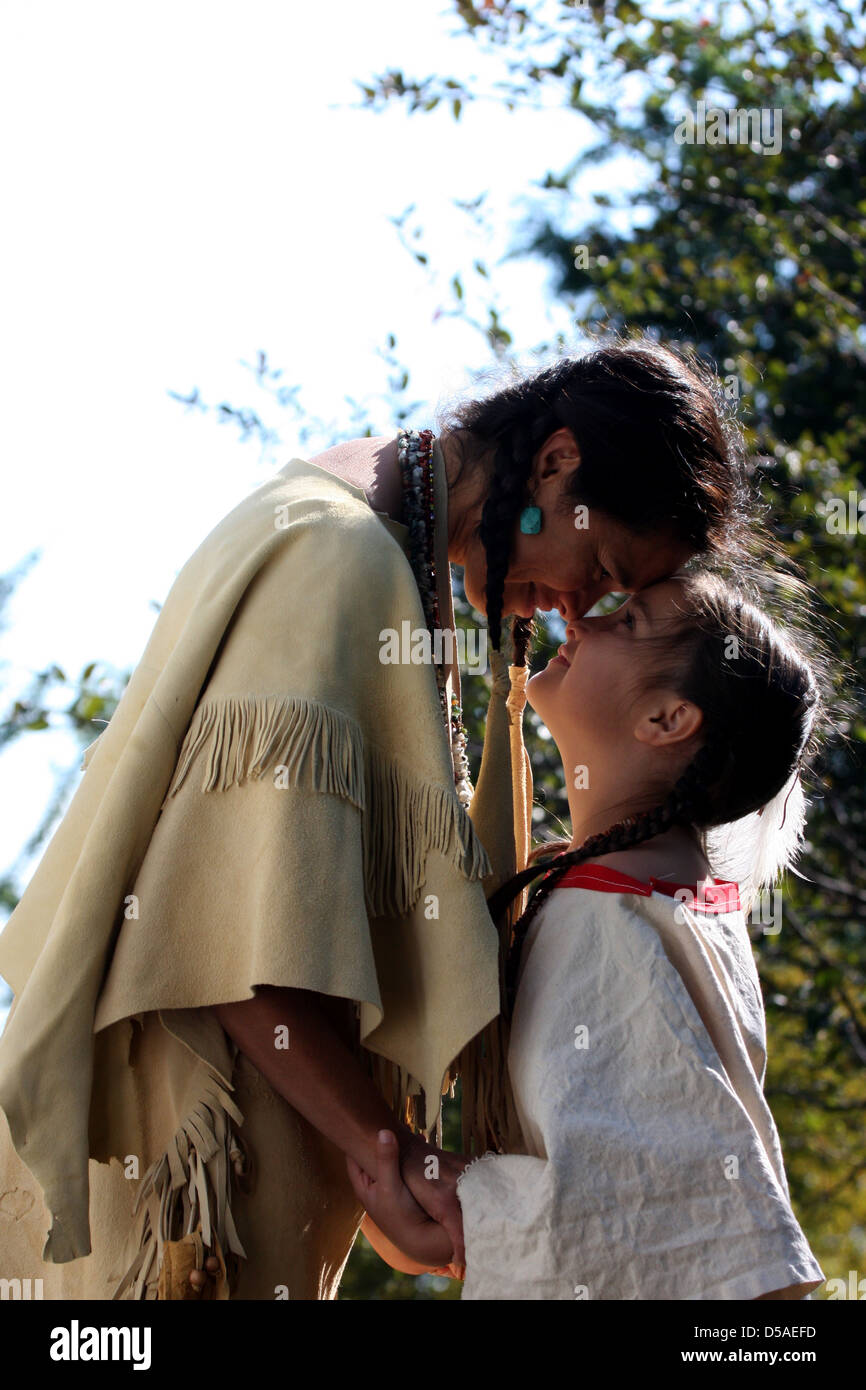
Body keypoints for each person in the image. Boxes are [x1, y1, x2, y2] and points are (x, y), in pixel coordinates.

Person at [0, 338, 756, 1299]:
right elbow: (225, 930)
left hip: (211, 1150)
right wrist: (380, 1149)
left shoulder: (366, 520)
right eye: (597, 563)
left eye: (611, 598)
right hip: (192, 1186)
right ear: (557, 461)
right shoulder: (343, 556)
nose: (576, 607)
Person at [350, 572, 829, 1299]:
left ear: (668, 719)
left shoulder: (611, 921)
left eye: (627, 622)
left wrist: (464, 1210)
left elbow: (630, 1206)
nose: (583, 622)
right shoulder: (677, 905)